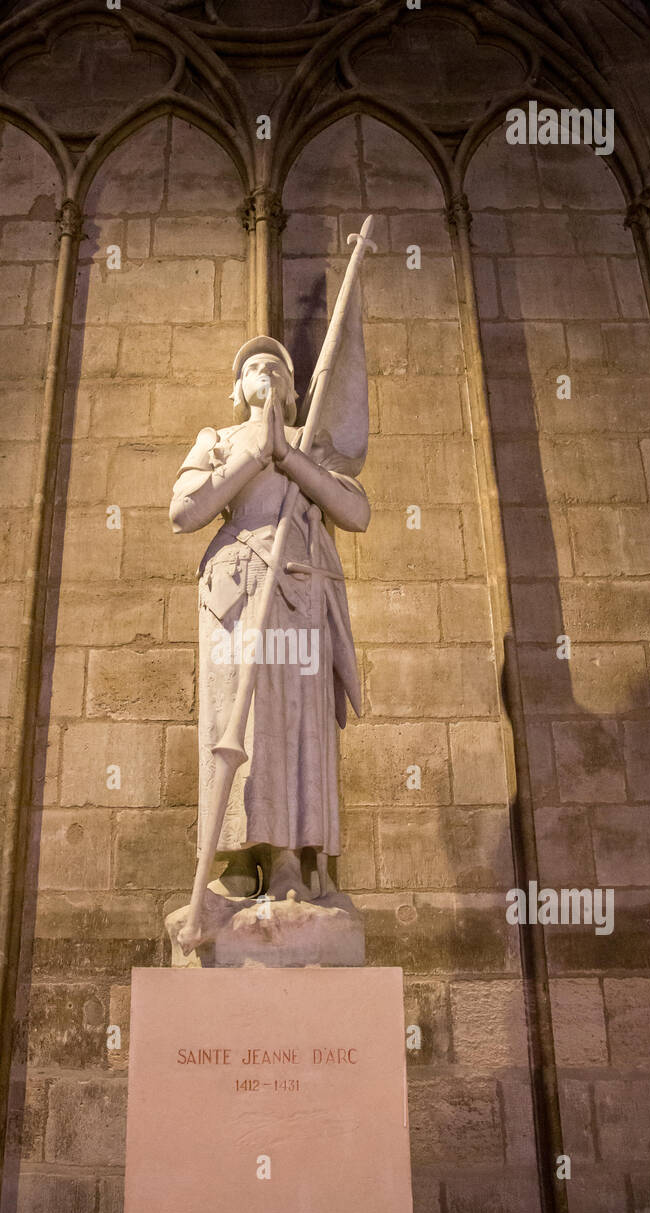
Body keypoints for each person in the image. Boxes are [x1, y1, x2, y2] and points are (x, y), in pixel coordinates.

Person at [169, 335, 369, 907]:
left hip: (298, 584)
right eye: (254, 367)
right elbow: (185, 512)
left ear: (294, 391)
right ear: (238, 390)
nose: (265, 372)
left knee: (296, 718)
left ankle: (288, 860)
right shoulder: (220, 439)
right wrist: (257, 452)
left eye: (276, 366)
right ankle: (233, 859)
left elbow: (355, 512)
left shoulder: (313, 445)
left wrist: (291, 458)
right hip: (234, 584)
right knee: (234, 715)